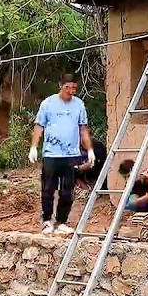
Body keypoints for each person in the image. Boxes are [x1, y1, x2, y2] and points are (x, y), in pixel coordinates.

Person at [28, 74, 95, 235]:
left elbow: (83, 129)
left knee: (67, 190)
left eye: (74, 88)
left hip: (71, 155)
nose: (71, 91)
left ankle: (61, 222)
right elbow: (39, 126)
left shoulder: (79, 104)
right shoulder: (48, 104)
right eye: (67, 87)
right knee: (48, 189)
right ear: (60, 86)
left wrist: (90, 150)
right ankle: (46, 221)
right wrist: (34, 147)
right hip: (52, 154)